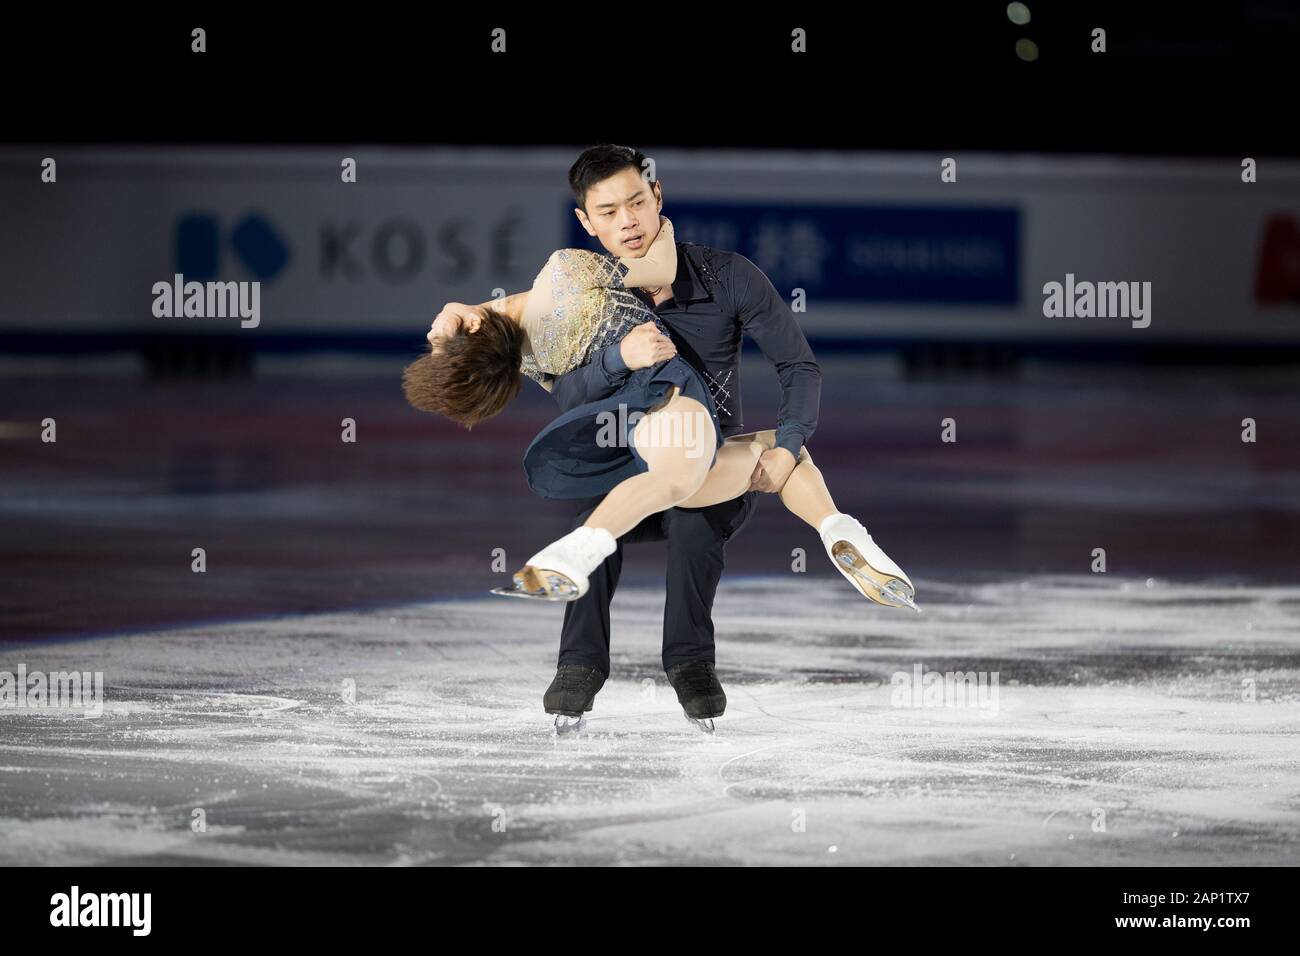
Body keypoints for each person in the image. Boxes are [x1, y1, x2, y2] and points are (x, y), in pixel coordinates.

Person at [404, 145, 917, 731]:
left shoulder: (728, 277)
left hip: (697, 459)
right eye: (610, 211)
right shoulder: (582, 290)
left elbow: (799, 369)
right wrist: (615, 357)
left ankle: (692, 664)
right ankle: (580, 664)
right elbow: (562, 384)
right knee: (633, 491)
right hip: (623, 456)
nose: (628, 221)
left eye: (638, 203)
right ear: (587, 221)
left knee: (720, 497)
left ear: (658, 199)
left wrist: (789, 443)